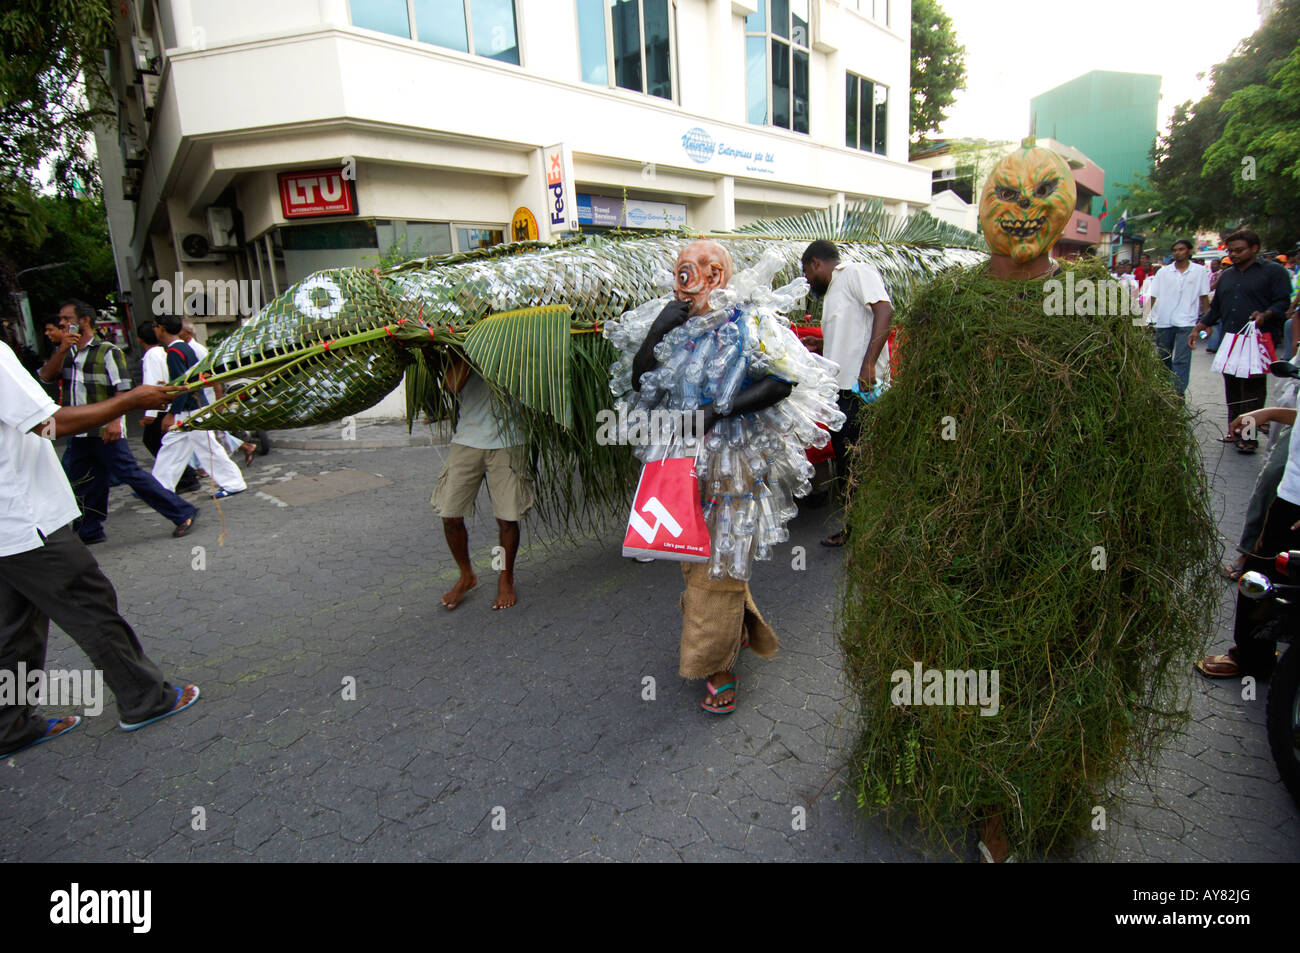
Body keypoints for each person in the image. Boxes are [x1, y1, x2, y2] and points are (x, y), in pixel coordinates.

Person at [0, 340, 200, 756]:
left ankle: (9, 726)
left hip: (9, 527)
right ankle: (145, 699)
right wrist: (132, 400)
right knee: (88, 602)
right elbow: (48, 423)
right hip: (25, 519)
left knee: (14, 627)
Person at [38, 300, 199, 542]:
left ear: (84, 321)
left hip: (105, 429)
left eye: (67, 319)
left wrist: (114, 421)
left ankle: (182, 511)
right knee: (84, 481)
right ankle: (88, 530)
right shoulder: (65, 352)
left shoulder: (108, 351)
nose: (63, 324)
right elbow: (47, 377)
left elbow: (123, 390)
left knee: (130, 474)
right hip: (80, 431)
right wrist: (61, 350)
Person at [801, 239, 894, 547]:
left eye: (807, 273)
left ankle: (866, 530)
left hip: (861, 388)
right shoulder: (831, 297)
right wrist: (822, 347)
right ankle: (858, 527)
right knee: (847, 462)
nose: (808, 281)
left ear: (816, 263)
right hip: (841, 391)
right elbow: (849, 338)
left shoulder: (854, 272)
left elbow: (885, 311)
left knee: (859, 462)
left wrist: (868, 365)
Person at [1198, 398, 1300, 679]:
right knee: (1265, 571)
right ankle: (1256, 656)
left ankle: (1254, 660)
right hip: (1290, 493)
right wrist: (1269, 413)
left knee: (1261, 575)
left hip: (1296, 502)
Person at [432, 356, 533, 611]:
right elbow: (452, 386)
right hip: (468, 438)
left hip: (510, 438)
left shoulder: (516, 342)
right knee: (450, 514)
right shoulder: (460, 346)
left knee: (507, 519)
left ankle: (505, 577)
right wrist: (471, 351)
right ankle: (467, 575)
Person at [1189, 230, 1295, 453]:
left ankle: (1248, 436)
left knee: (1253, 390)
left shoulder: (1273, 272)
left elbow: (1282, 302)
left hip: (1258, 338)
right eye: (1231, 251)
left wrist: (1265, 315)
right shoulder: (1227, 275)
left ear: (1255, 248)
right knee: (1233, 387)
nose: (1234, 255)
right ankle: (1233, 430)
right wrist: (1199, 326)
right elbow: (1217, 308)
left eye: (1239, 250)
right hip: (1231, 337)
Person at [151, 315, 248, 498]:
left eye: (155, 326)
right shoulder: (185, 348)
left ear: (162, 328)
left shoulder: (174, 352)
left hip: (190, 409)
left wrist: (172, 413)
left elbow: (183, 386)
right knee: (173, 447)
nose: (154, 330)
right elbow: (188, 380)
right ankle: (159, 487)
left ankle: (233, 482)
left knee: (206, 448)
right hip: (193, 406)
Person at [181, 318, 257, 466]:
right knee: (210, 434)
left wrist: (219, 399)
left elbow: (214, 376)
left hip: (206, 398)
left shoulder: (197, 351)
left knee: (212, 433)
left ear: (187, 333)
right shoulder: (188, 349)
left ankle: (222, 462)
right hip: (201, 398)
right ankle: (243, 448)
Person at [136, 321, 200, 492]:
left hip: (171, 406)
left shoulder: (167, 352)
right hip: (179, 405)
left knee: (160, 443)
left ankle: (176, 481)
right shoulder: (169, 351)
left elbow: (163, 383)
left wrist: (157, 412)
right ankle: (166, 484)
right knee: (178, 445)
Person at [1149, 240, 1211, 396]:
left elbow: (1204, 298)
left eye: (1181, 249)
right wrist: (1141, 320)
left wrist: (1207, 322)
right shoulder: (1163, 272)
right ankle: (1164, 389)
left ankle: (1177, 393)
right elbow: (1152, 296)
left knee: (1182, 360)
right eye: (1175, 250)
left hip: (1187, 321)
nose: (1177, 252)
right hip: (1164, 320)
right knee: (1163, 357)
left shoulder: (1199, 271)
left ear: (1189, 251)